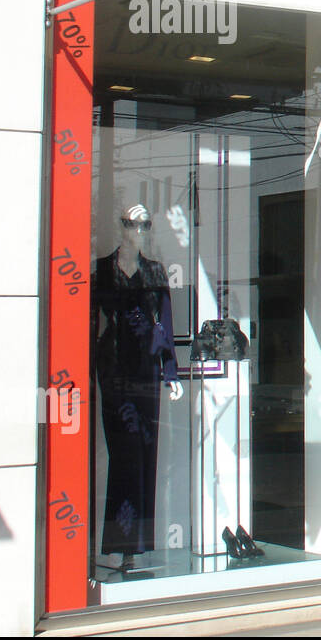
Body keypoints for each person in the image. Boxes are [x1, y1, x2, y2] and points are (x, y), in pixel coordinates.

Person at [92, 203, 182, 570]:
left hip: (145, 371)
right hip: (113, 370)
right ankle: (120, 544)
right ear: (122, 226)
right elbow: (88, 321)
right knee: (123, 455)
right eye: (132, 224)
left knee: (144, 456)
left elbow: (164, 324)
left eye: (144, 224)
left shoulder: (155, 271)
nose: (138, 230)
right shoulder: (102, 270)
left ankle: (133, 548)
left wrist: (170, 371)